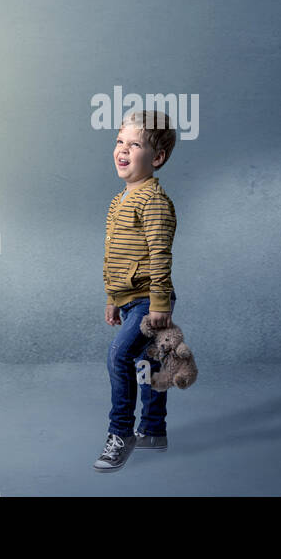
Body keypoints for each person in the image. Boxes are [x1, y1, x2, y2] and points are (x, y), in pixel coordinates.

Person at [93, 109, 179, 472]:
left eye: (135, 144)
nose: (123, 149)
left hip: (149, 300)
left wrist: (159, 304)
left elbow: (160, 254)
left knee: (119, 356)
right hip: (128, 300)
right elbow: (112, 254)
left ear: (156, 158)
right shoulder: (118, 201)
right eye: (119, 141)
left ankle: (121, 433)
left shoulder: (154, 202)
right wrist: (113, 299)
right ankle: (154, 430)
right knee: (148, 363)